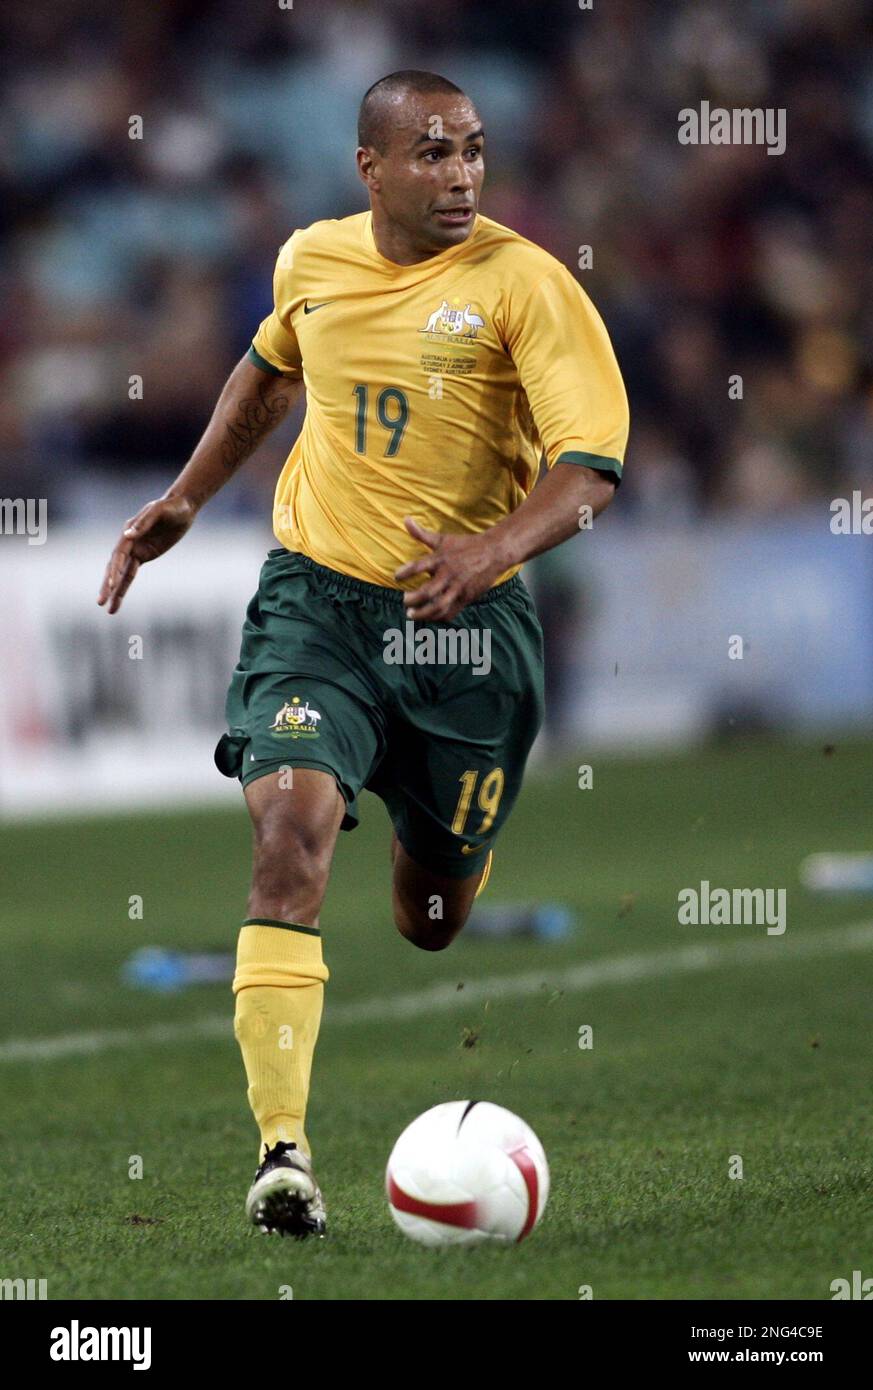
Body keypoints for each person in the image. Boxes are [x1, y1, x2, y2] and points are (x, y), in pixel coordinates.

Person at [97, 69, 629, 1238]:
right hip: (318, 604)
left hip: (466, 631)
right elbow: (270, 370)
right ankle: (282, 1154)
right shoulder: (312, 261)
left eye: (475, 151)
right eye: (434, 154)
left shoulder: (526, 285)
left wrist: (491, 550)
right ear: (371, 168)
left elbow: (590, 470)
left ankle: (445, 846)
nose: (462, 176)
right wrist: (188, 498)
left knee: (429, 918)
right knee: (286, 833)